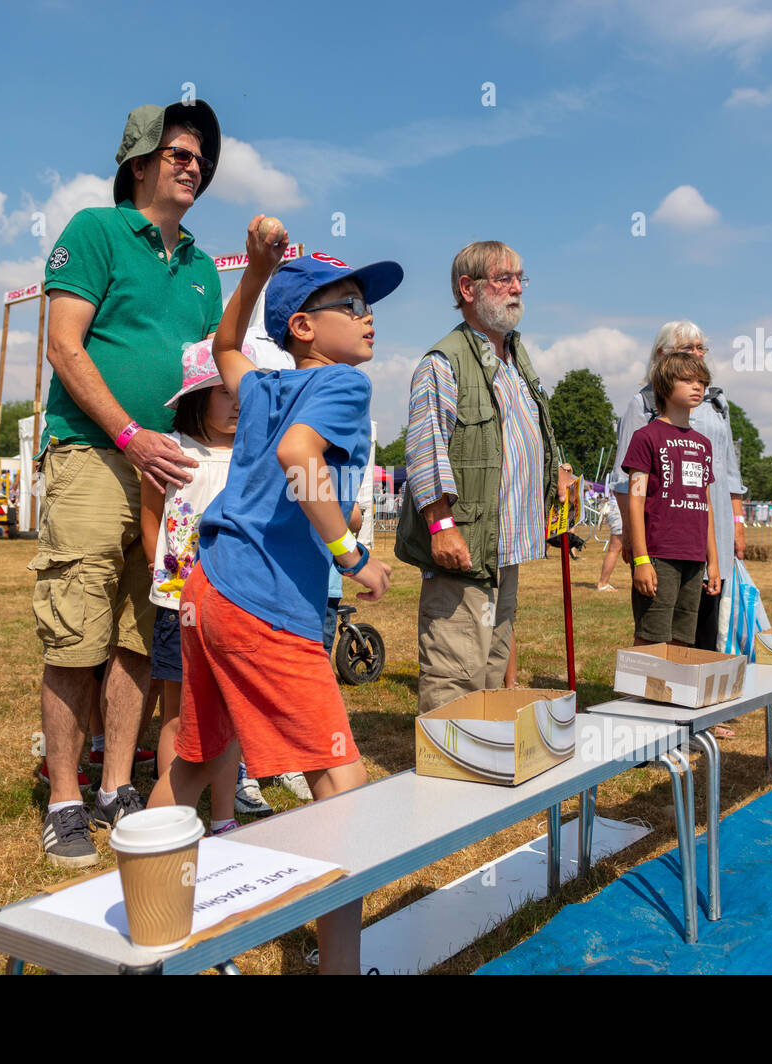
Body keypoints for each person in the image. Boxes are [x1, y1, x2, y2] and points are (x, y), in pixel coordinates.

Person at [149, 222, 400, 973]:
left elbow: (228, 347)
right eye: (350, 303)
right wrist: (350, 554)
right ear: (304, 328)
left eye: (367, 304)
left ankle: (148, 920)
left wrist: (255, 272)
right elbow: (300, 459)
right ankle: (340, 968)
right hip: (264, 602)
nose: (368, 315)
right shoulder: (342, 383)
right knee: (341, 785)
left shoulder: (264, 386)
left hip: (207, 589)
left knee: (194, 761)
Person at [31, 99, 223, 867]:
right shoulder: (95, 231)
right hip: (93, 451)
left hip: (175, 470)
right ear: (138, 162)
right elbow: (64, 347)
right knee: (77, 628)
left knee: (148, 630)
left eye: (200, 156)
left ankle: (116, 785)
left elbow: (218, 372)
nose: (193, 164)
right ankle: (65, 798)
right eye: (178, 152)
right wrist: (130, 435)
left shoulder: (207, 268)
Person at [395, 241, 569, 714]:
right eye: (503, 278)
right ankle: (446, 768)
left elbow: (523, 437)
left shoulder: (515, 357)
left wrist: (556, 477)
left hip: (505, 547)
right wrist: (441, 526)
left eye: (520, 278)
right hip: (464, 544)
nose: (516, 288)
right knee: (456, 667)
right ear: (467, 289)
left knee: (491, 663)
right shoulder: (443, 361)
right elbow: (425, 450)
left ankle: (484, 762)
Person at [140, 339, 272, 828]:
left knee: (231, 713)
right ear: (197, 396)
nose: (236, 402)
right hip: (180, 607)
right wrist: (169, 578)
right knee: (178, 715)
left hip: (239, 605)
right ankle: (174, 819)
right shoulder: (170, 451)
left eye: (241, 391)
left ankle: (222, 818)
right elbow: (152, 521)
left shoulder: (258, 454)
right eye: (221, 392)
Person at [621, 351, 721, 650]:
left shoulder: (703, 444)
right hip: (658, 554)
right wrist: (641, 560)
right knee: (651, 635)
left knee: (682, 638)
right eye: (688, 380)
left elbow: (706, 506)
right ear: (665, 386)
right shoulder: (645, 437)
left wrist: (713, 561)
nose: (698, 387)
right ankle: (637, 695)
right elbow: (635, 502)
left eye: (702, 381)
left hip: (694, 558)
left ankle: (671, 696)